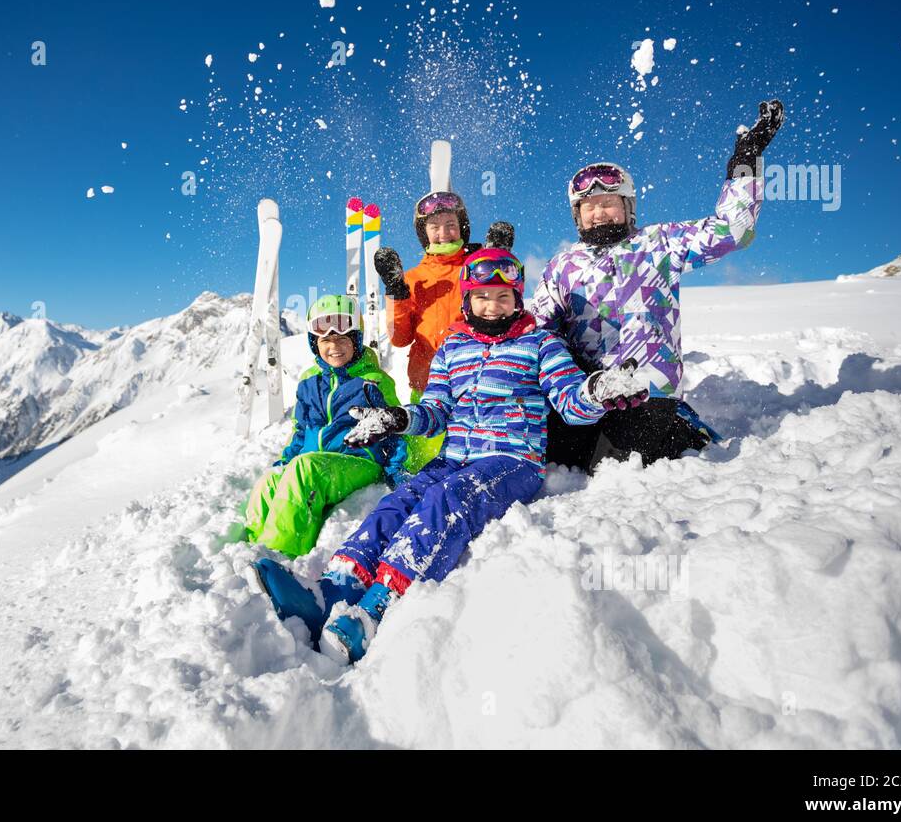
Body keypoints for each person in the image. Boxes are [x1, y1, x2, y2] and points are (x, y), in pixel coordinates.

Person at [250, 249, 648, 663]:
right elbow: (435, 411)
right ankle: (334, 589)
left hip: (511, 459)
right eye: (482, 297)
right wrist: (397, 418)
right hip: (454, 456)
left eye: (502, 297)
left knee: (446, 500)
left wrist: (597, 391)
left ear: (517, 300)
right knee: (398, 502)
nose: (492, 306)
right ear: (467, 300)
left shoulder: (540, 343)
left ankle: (378, 607)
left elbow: (569, 401)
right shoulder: (453, 347)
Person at [532, 99, 785, 471]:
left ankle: (681, 428)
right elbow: (536, 330)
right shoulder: (561, 267)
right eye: (589, 206)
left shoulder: (659, 243)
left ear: (628, 206)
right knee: (550, 461)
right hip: (584, 395)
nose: (599, 211)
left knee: (616, 469)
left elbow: (733, 230)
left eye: (609, 202)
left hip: (645, 395)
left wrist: (745, 163)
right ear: (578, 215)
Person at [240, 295, 407, 558]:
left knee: (306, 469)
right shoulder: (309, 382)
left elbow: (394, 430)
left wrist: (398, 473)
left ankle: (279, 553)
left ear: (356, 340)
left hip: (359, 463)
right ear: (314, 344)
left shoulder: (372, 381)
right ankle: (252, 549)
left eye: (343, 339)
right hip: (318, 464)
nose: (334, 347)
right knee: (269, 482)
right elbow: (301, 430)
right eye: (325, 340)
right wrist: (285, 461)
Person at [372, 190, 514, 471]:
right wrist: (396, 292)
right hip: (426, 391)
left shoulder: (477, 267)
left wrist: (498, 258)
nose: (444, 233)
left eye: (451, 224)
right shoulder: (414, 278)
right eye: (434, 227)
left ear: (462, 227)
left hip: (478, 387)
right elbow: (400, 339)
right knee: (426, 470)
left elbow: (504, 312)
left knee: (478, 468)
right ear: (424, 234)